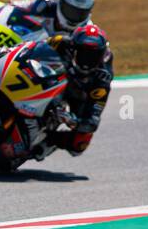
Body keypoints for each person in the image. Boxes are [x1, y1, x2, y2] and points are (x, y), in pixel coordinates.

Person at [46, 24, 114, 155]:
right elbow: (31, 48)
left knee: (80, 143)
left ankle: (45, 141)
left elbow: (93, 119)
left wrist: (70, 120)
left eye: (93, 55)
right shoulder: (60, 42)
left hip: (77, 94)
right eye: (84, 53)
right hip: (50, 80)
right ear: (73, 48)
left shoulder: (103, 76)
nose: (87, 59)